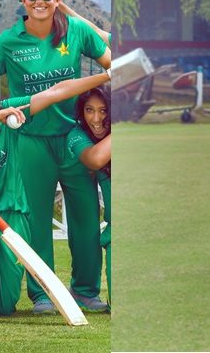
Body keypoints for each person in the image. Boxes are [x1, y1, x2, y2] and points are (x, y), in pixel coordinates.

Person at [0, 69, 111, 322]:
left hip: (10, 214)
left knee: (2, 306)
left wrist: (106, 75)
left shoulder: (10, 111)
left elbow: (56, 92)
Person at [0, 0, 111, 314]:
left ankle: (85, 290)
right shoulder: (8, 41)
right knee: (36, 220)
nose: (39, 1)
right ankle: (42, 294)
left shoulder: (78, 31)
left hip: (73, 138)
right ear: (23, 1)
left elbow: (113, 65)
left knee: (84, 216)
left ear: (57, 0)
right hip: (30, 141)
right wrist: (3, 108)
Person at [71, 84, 112, 305]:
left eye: (104, 110)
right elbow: (94, 159)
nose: (96, 118)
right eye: (89, 110)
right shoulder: (77, 135)